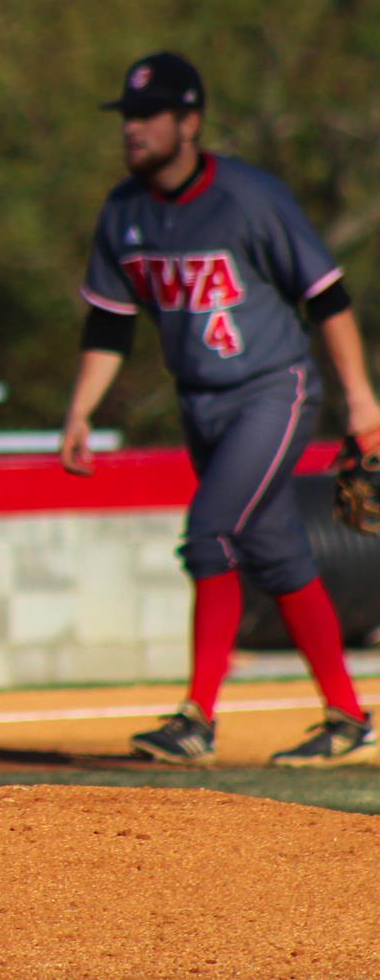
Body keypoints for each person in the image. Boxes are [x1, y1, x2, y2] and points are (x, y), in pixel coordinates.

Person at [58, 51, 380, 767]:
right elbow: (110, 323)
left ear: (190, 121)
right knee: (276, 551)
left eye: (149, 116)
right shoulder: (124, 212)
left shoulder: (248, 196)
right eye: (128, 117)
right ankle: (349, 716)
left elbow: (326, 295)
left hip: (273, 388)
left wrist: (362, 400)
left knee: (210, 533)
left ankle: (196, 716)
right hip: (199, 401)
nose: (133, 129)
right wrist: (80, 411)